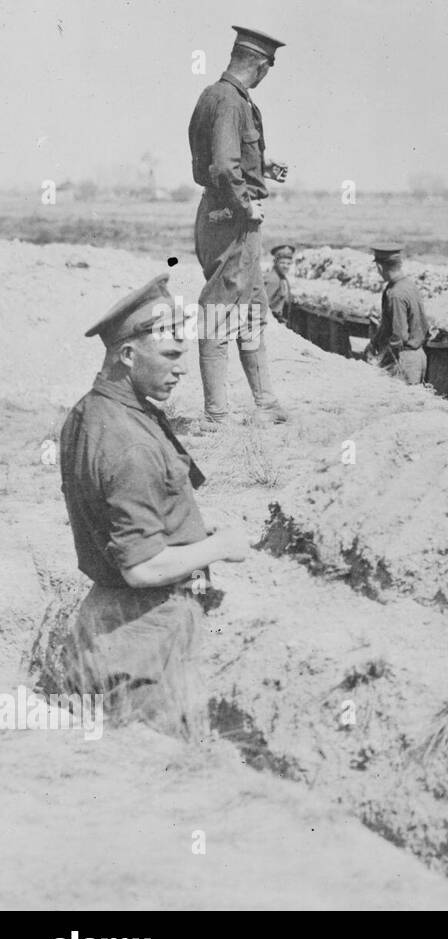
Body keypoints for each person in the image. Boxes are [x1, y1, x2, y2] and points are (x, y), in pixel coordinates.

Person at [55, 274, 250, 739]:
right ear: (127, 355)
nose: (182, 369)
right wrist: (220, 546)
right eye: (170, 356)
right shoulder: (127, 441)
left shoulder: (95, 411)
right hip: (144, 639)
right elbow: (142, 569)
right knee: (161, 768)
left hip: (108, 627)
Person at [188, 25, 290, 426]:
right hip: (231, 219)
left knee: (251, 309)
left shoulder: (214, 96)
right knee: (219, 309)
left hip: (225, 216)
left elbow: (220, 154)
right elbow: (226, 167)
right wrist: (248, 205)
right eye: (269, 68)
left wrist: (262, 165)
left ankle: (265, 404)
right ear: (261, 65)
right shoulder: (231, 102)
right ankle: (217, 414)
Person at [365, 243, 429, 384]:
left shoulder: (395, 294)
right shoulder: (409, 285)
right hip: (418, 355)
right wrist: (374, 342)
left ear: (380, 267)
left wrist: (380, 359)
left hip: (404, 359)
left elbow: (399, 336)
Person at [264, 243, 295, 324]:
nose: (285, 266)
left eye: (288, 263)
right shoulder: (273, 280)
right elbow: (263, 305)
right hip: (270, 322)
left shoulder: (280, 277)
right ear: (275, 262)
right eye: (282, 263)